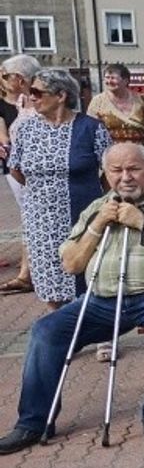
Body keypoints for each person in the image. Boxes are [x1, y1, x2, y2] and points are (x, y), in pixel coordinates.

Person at [0, 143, 144, 453]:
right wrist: (97, 225)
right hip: (103, 300)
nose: (126, 177)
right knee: (47, 331)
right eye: (116, 171)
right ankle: (33, 422)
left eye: (134, 169)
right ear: (105, 175)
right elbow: (71, 263)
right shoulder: (97, 208)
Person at [7, 69, 113, 307]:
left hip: (82, 214)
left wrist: (99, 196)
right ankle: (61, 331)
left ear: (61, 95)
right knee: (50, 276)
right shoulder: (26, 129)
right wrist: (44, 189)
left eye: (37, 92)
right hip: (40, 217)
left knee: (89, 270)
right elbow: (15, 168)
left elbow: (111, 168)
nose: (31, 97)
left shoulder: (91, 128)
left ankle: (102, 334)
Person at [0, 55, 41, 294]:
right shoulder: (7, 105)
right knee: (29, 216)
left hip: (36, 166)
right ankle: (27, 272)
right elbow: (4, 138)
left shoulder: (40, 99)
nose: (2, 80)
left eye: (6, 76)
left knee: (34, 217)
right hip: (17, 167)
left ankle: (29, 272)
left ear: (20, 79)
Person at [87, 63, 144, 151]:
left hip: (140, 154)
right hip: (111, 156)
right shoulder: (97, 101)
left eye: (113, 78)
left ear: (125, 81)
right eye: (107, 78)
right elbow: (90, 131)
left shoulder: (141, 99)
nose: (109, 81)